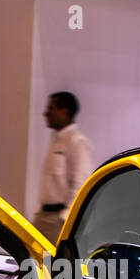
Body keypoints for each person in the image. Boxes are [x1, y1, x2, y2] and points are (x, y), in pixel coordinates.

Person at [33, 91, 94, 243]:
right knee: (36, 261)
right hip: (44, 217)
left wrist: (65, 218)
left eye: (51, 108)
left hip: (59, 221)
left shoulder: (77, 142)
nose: (45, 113)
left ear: (64, 111)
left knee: (55, 264)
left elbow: (81, 183)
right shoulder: (56, 139)